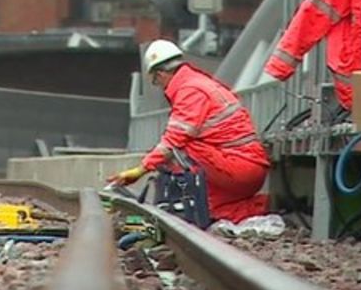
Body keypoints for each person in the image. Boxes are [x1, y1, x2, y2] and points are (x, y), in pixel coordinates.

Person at [108, 40, 271, 223]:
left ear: (160, 74)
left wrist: (141, 169)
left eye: (155, 81)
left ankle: (178, 197)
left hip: (238, 168)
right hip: (243, 167)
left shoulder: (189, 91)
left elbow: (174, 140)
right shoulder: (198, 82)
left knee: (181, 149)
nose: (159, 86)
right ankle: (260, 208)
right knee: (209, 209)